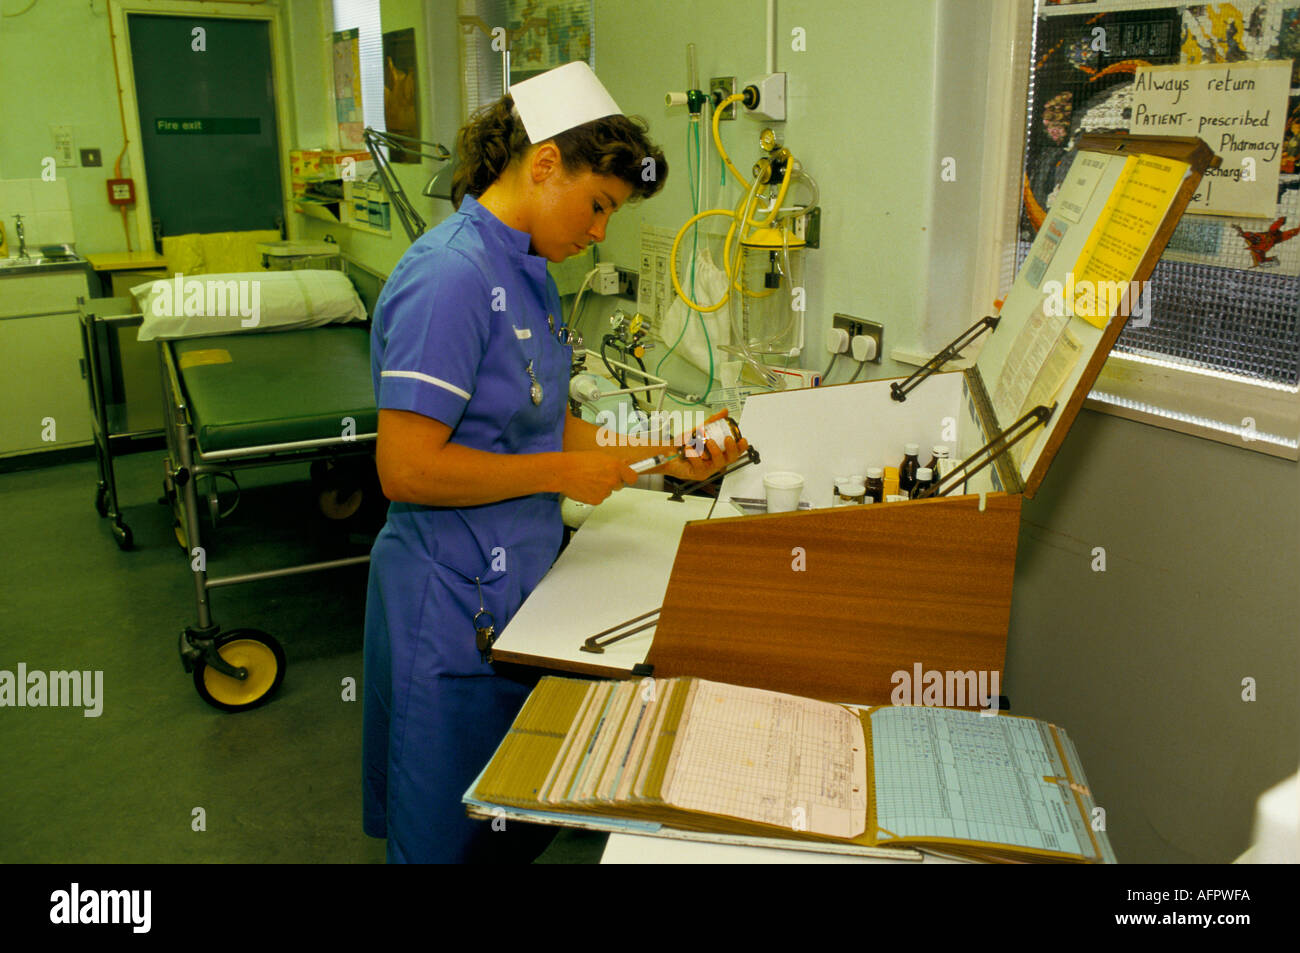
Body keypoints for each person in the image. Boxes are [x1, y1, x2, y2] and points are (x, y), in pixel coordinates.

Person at [362, 62, 747, 863]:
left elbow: (544, 425)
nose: (600, 230)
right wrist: (559, 477)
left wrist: (665, 452)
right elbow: (405, 469)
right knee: (444, 836)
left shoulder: (526, 270)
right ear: (543, 164)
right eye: (599, 204)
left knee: (509, 824)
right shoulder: (450, 278)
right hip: (447, 603)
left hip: (515, 598)